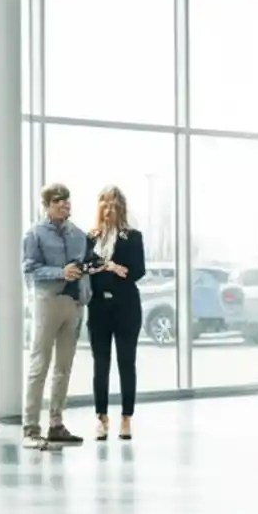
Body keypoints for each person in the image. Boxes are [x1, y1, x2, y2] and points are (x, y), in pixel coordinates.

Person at [22, 183, 88, 448]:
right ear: (47, 205)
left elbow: (86, 266)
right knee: (39, 365)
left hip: (74, 305)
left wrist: (85, 293)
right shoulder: (34, 234)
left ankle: (56, 425)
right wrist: (61, 272)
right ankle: (30, 428)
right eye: (59, 201)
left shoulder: (79, 235)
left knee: (64, 367)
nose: (65, 204)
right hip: (47, 303)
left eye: (67, 200)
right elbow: (30, 269)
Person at [85, 186, 146, 441]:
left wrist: (117, 268)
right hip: (98, 307)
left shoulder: (132, 236)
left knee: (126, 363)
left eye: (114, 205)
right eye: (105, 205)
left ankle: (126, 418)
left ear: (121, 208)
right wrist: (102, 267)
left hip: (126, 307)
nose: (109, 210)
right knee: (100, 364)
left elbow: (137, 270)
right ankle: (101, 418)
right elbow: (84, 265)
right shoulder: (90, 238)